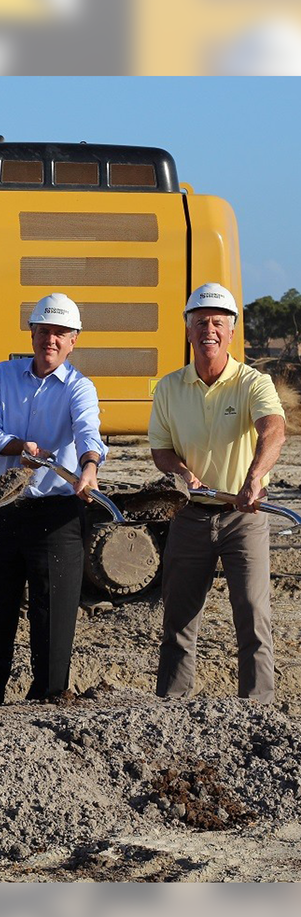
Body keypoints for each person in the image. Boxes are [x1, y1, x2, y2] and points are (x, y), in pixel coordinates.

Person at [149, 282, 285, 703]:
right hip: (190, 516)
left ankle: (258, 710)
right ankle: (171, 707)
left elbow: (273, 429)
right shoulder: (169, 388)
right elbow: (160, 449)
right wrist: (181, 473)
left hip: (244, 517)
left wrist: (254, 478)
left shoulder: (253, 383)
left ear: (231, 331)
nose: (209, 329)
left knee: (253, 616)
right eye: (200, 322)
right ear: (188, 330)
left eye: (218, 323)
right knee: (178, 621)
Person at [0, 293, 106, 707]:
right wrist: (18, 445)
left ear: (73, 341)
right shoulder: (5, 375)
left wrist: (89, 468)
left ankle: (48, 705)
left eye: (60, 333)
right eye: (44, 331)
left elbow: (88, 432)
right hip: (7, 511)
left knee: (53, 622)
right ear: (33, 334)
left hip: (58, 517)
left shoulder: (80, 388)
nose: (51, 340)